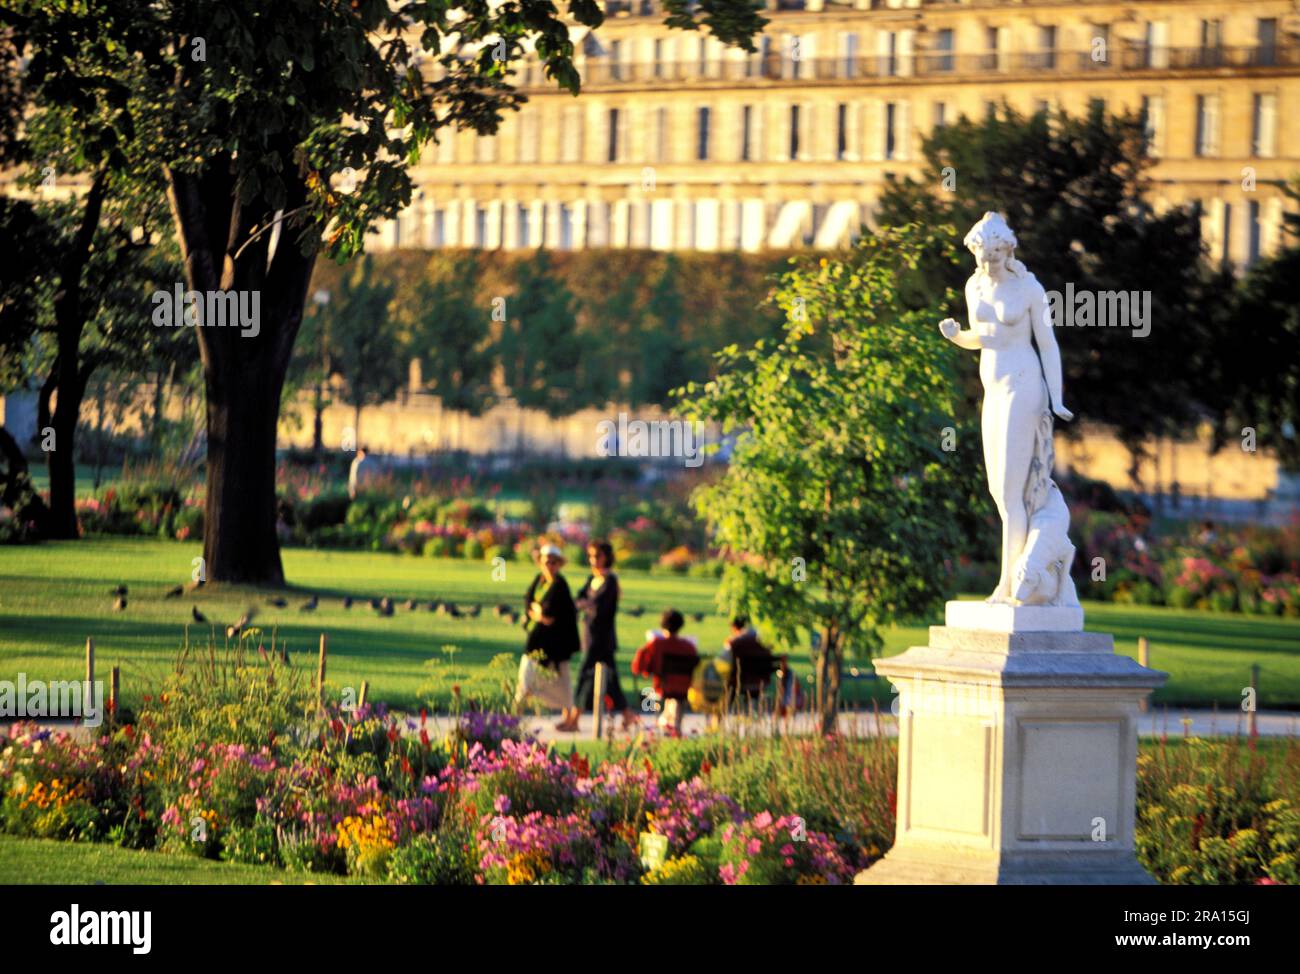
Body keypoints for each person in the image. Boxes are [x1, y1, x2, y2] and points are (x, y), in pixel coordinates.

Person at [939, 212, 1073, 604]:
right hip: (993, 389)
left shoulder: (1030, 289)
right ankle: (1019, 578)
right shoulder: (974, 286)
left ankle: (1009, 585)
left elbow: (1047, 345)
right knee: (999, 491)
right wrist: (956, 337)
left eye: (993, 257)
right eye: (981, 257)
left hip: (1023, 384)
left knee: (1010, 489)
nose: (986, 265)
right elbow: (981, 338)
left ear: (1007, 251)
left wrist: (1056, 395)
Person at [515, 544, 582, 731]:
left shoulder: (560, 585)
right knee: (525, 679)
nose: (550, 566)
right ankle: (513, 718)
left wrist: (539, 612)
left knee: (562, 682)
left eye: (554, 562)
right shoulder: (540, 580)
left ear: (559, 564)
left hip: (556, 645)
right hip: (537, 642)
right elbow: (529, 603)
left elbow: (551, 616)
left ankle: (569, 718)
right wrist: (537, 612)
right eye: (546, 562)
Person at [574, 540, 637, 731]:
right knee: (611, 681)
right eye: (591, 556)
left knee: (584, 674)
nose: (593, 560)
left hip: (601, 639)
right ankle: (628, 715)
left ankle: (573, 718)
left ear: (607, 557)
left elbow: (601, 608)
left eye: (597, 556)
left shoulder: (610, 581)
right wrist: (585, 605)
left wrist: (586, 605)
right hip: (589, 635)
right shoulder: (592, 579)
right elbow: (579, 599)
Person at [631, 609, 698, 736]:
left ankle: (666, 723)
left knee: (669, 689)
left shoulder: (657, 644)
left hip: (663, 686)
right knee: (676, 695)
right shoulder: (689, 647)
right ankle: (674, 726)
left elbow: (639, 666)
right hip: (685, 687)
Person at [723, 615, 776, 708]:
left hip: (739, 682)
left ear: (734, 627)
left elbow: (724, 660)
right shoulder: (763, 641)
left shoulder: (735, 642)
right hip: (761, 681)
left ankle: (725, 709)